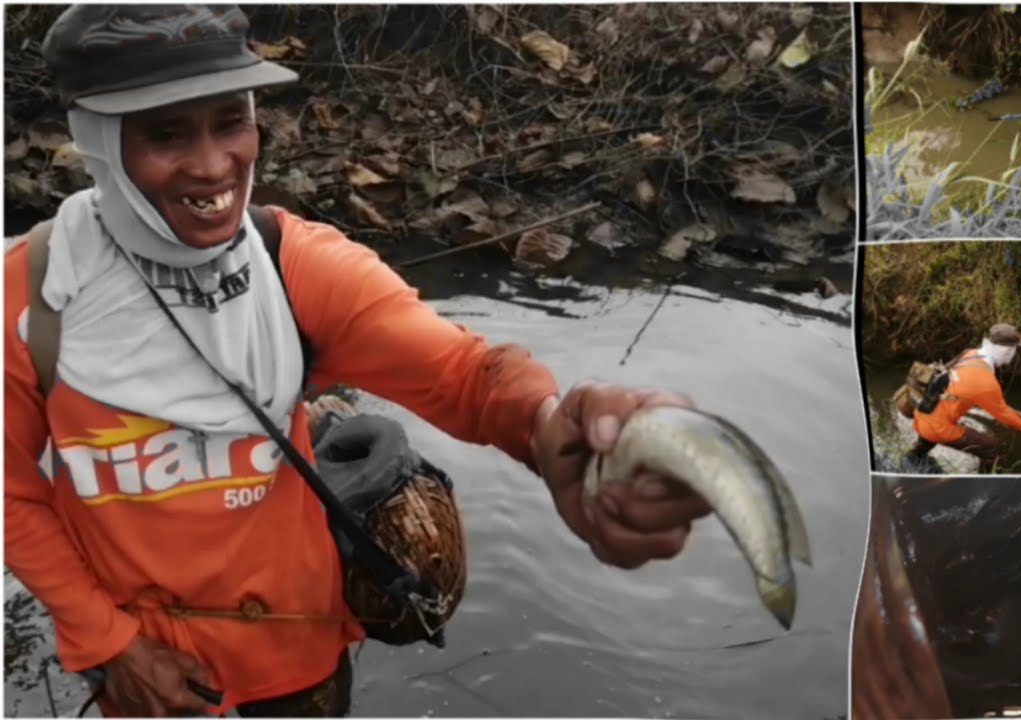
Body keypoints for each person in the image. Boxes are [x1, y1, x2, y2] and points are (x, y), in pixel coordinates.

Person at [3, 5, 713, 717]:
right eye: (164, 133)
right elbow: (11, 493)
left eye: (231, 121)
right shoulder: (33, 300)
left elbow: (462, 375)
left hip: (299, 663)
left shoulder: (294, 267)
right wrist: (109, 643)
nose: (215, 164)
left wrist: (550, 428)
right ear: (97, 143)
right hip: (150, 678)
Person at [905, 323, 1021, 473]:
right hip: (938, 427)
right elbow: (1004, 415)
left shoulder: (969, 353)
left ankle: (914, 454)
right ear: (1007, 352)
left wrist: (1015, 413)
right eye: (1015, 350)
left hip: (923, 413)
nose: (1015, 354)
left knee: (936, 423)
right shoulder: (986, 383)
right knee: (992, 448)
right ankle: (984, 483)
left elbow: (986, 400)